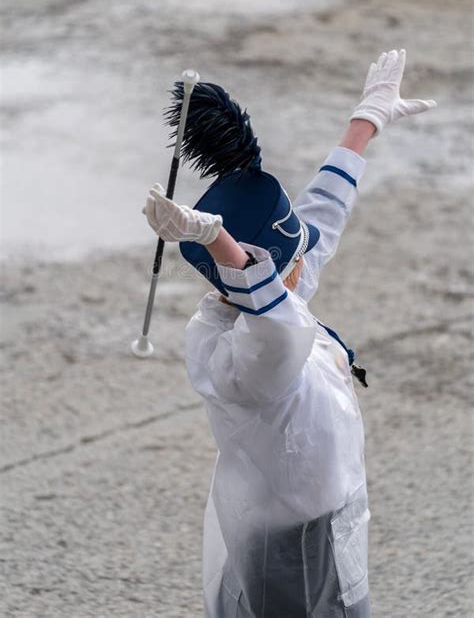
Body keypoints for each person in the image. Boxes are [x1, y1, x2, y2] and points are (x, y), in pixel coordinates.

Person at [143, 50, 436, 617]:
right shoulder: (241, 354)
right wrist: (216, 239)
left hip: (324, 517)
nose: (307, 258)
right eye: (291, 258)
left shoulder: (281, 294)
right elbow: (272, 323)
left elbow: (322, 214)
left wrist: (367, 119)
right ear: (259, 273)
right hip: (288, 542)